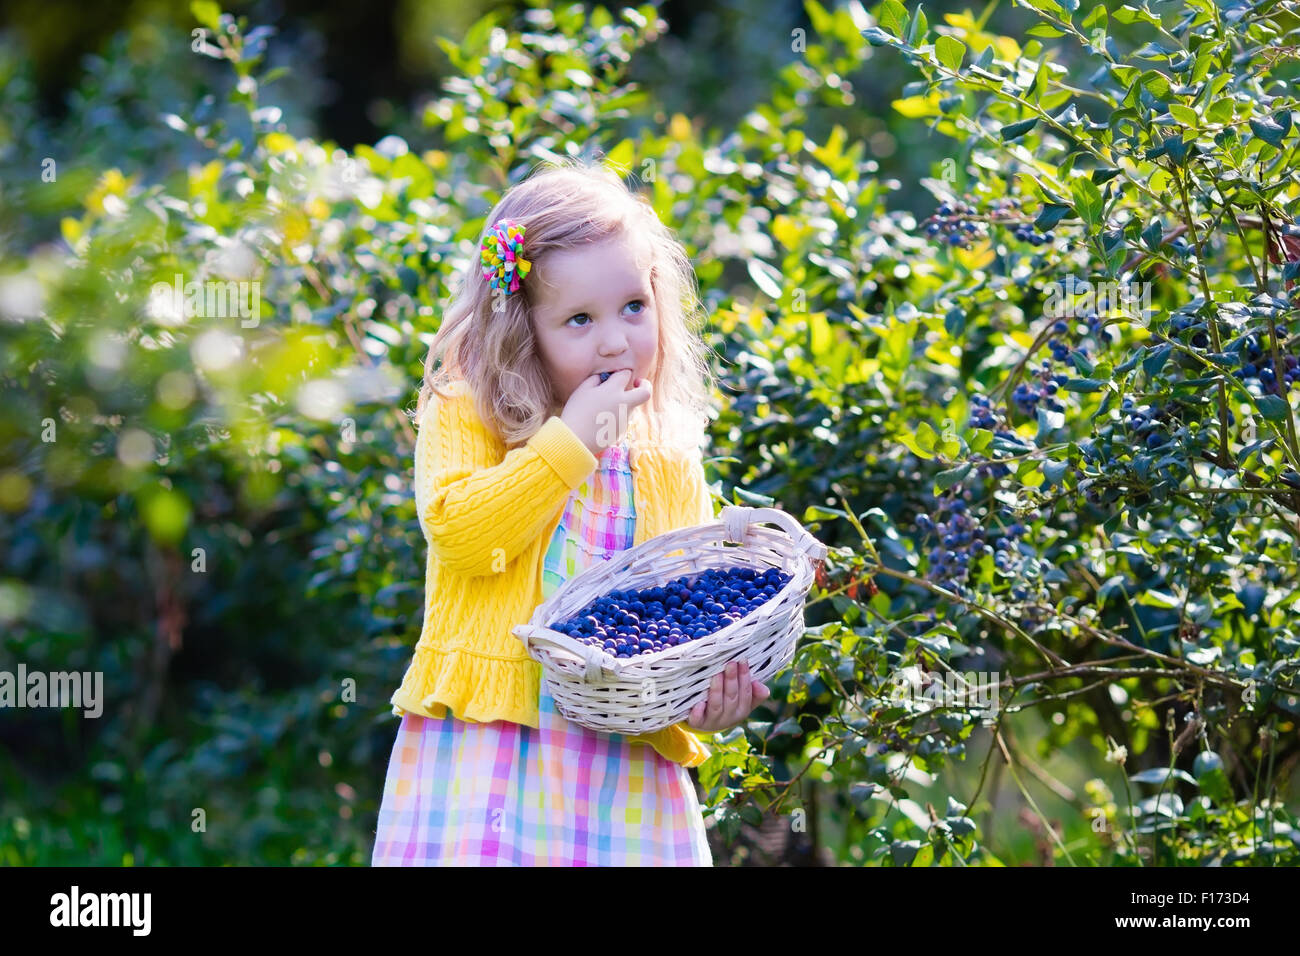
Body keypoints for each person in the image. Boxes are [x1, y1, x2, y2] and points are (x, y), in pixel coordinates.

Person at [371, 159, 771, 866]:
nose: (615, 340)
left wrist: (707, 698)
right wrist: (575, 439)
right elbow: (464, 537)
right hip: (488, 763)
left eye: (633, 308)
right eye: (579, 319)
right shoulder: (472, 411)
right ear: (521, 328)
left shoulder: (666, 457)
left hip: (625, 780)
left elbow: (681, 617)